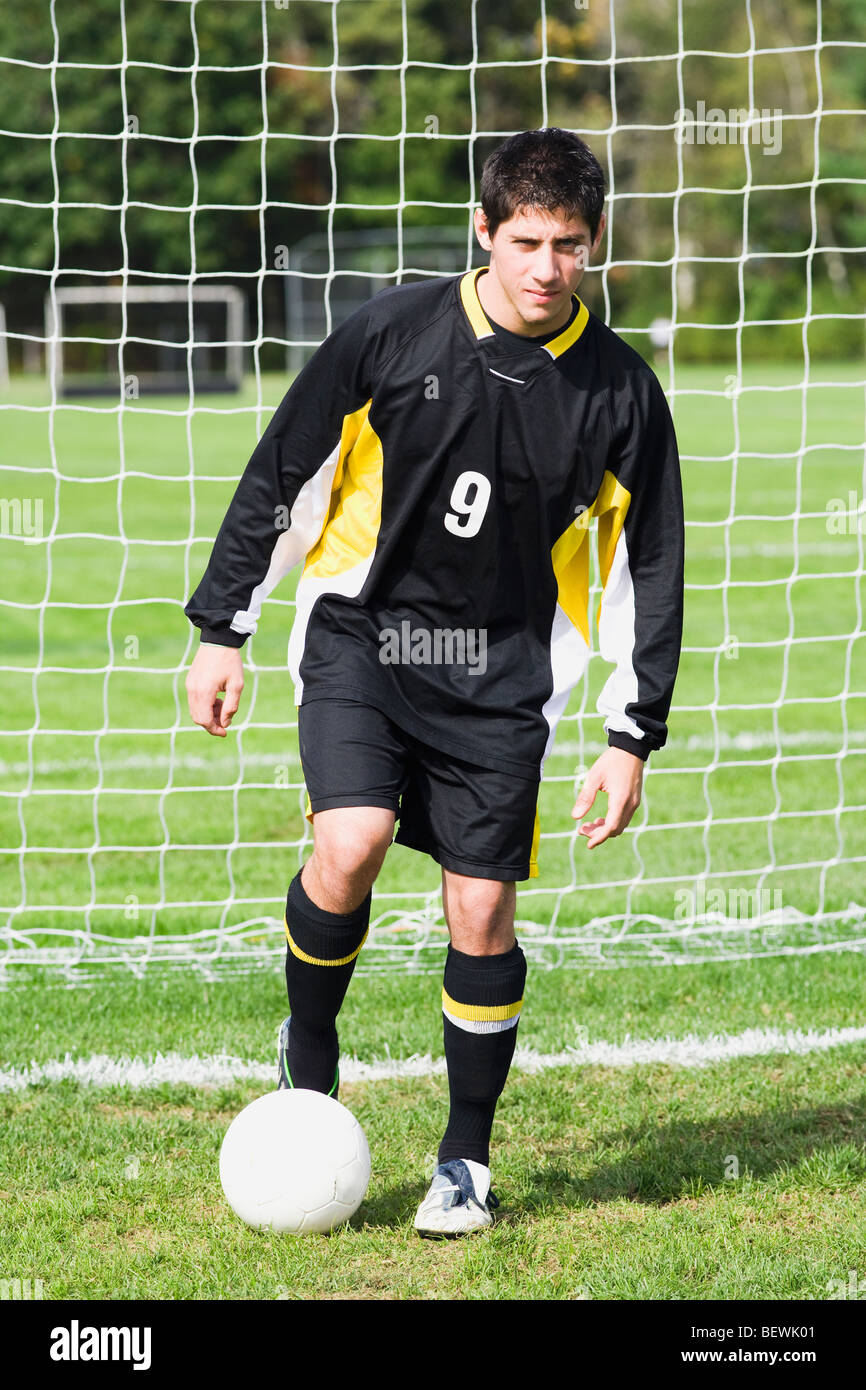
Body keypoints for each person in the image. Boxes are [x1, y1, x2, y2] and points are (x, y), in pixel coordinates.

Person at [184, 127, 684, 1237]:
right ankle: (310, 1054)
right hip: (363, 640)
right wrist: (224, 628)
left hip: (502, 677)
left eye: (567, 244)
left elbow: (653, 568)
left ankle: (464, 1160)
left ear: (596, 240)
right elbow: (281, 470)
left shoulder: (620, 393)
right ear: (483, 231)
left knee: (482, 907)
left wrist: (630, 735)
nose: (546, 267)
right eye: (525, 241)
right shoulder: (390, 332)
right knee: (349, 844)